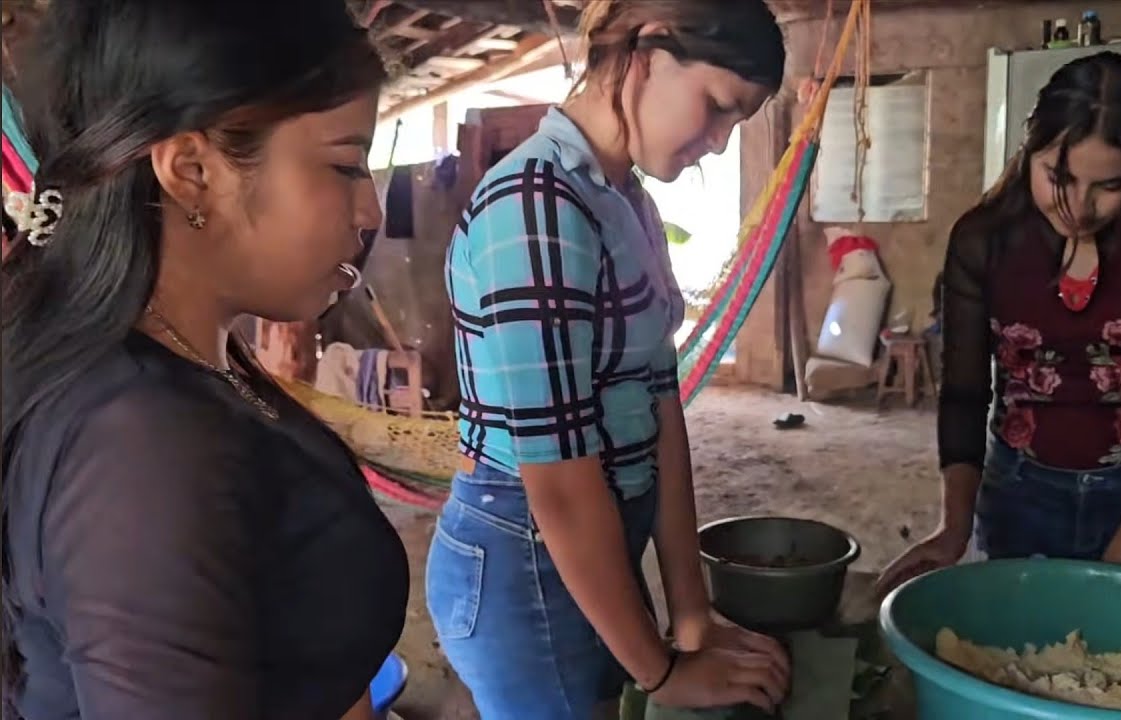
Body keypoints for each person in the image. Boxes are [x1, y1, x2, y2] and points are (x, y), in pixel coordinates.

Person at [0, 2, 408, 718]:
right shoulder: (139, 443)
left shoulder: (191, 368)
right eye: (346, 166)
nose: (370, 210)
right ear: (191, 171)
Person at [427, 1, 791, 717]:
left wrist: (691, 614)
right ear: (648, 50)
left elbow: (661, 408)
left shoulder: (623, 201)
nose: (718, 144)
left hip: (593, 538)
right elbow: (559, 486)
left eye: (735, 124)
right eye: (716, 108)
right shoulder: (535, 205)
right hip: (525, 553)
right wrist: (659, 674)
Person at [877, 52, 1121, 595]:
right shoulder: (984, 240)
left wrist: (1114, 569)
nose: (1077, 206)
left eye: (1110, 185)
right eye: (1057, 177)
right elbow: (965, 394)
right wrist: (953, 528)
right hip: (1021, 496)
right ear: (1030, 148)